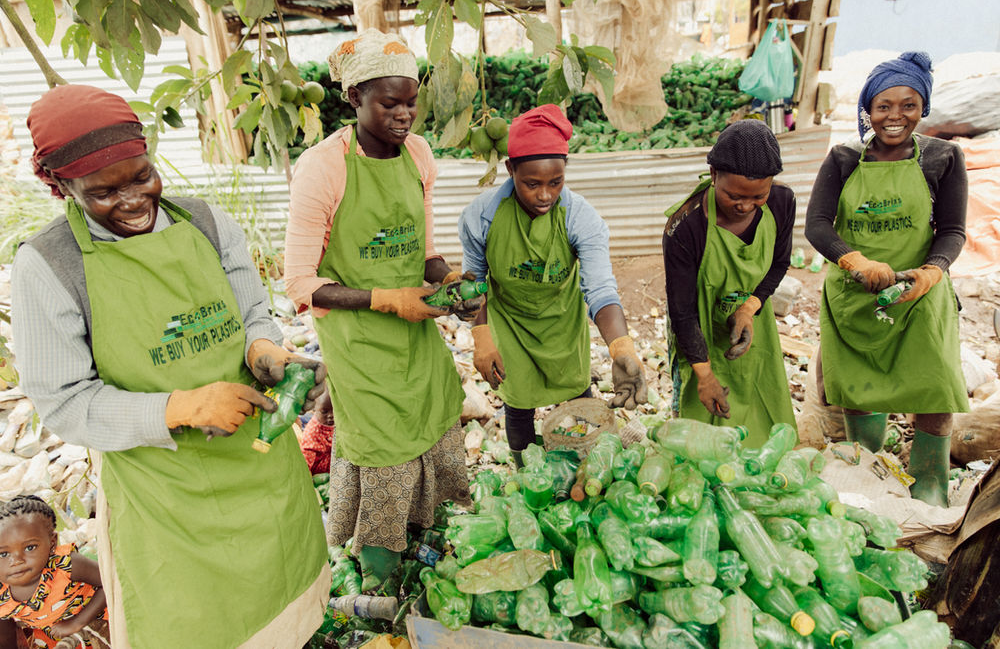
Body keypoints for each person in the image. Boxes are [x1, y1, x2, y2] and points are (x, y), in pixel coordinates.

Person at [10, 84, 330, 648]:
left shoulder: (205, 224)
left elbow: (253, 309)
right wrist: (180, 407)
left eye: (141, 177)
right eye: (104, 192)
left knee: (285, 601)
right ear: (62, 187)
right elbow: (65, 401)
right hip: (168, 495)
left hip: (263, 469)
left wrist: (264, 351)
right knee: (198, 624)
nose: (134, 200)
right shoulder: (49, 266)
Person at [284, 29, 473, 590]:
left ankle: (430, 537)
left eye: (411, 101)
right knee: (383, 448)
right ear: (354, 100)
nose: (404, 116)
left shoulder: (419, 155)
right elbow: (300, 282)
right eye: (389, 104)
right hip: (359, 341)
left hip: (416, 332)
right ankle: (378, 576)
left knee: (437, 422)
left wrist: (452, 282)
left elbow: (424, 253)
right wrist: (387, 299)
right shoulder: (323, 168)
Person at [805, 51, 967, 507]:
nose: (895, 116)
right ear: (868, 110)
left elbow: (953, 230)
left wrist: (933, 271)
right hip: (855, 295)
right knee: (859, 385)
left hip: (919, 292)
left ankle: (930, 480)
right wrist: (854, 261)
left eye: (909, 105)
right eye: (883, 106)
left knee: (935, 381)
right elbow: (817, 225)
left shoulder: (943, 158)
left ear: (923, 108)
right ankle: (869, 471)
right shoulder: (843, 159)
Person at [458, 104, 647, 467]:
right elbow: (474, 283)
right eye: (532, 183)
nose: (545, 195)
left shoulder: (581, 217)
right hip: (511, 325)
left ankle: (584, 472)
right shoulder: (480, 216)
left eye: (555, 182)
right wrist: (482, 339)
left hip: (562, 323)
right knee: (518, 405)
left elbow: (601, 289)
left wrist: (621, 348)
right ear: (511, 170)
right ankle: (526, 478)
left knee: (579, 401)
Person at [662, 119, 796, 447]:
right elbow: (682, 311)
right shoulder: (685, 226)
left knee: (762, 425)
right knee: (699, 439)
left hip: (754, 323)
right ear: (713, 176)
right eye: (733, 195)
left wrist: (749, 307)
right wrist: (704, 376)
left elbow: (779, 264)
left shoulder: (782, 202)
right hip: (698, 333)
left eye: (757, 196)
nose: (745, 205)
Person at [0, 496, 107, 649]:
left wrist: (77, 622)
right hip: (54, 639)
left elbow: (109, 583)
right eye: (3, 554)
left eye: (29, 548)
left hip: (98, 626)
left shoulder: (65, 565)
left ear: (52, 543)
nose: (16, 561)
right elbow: (5, 636)